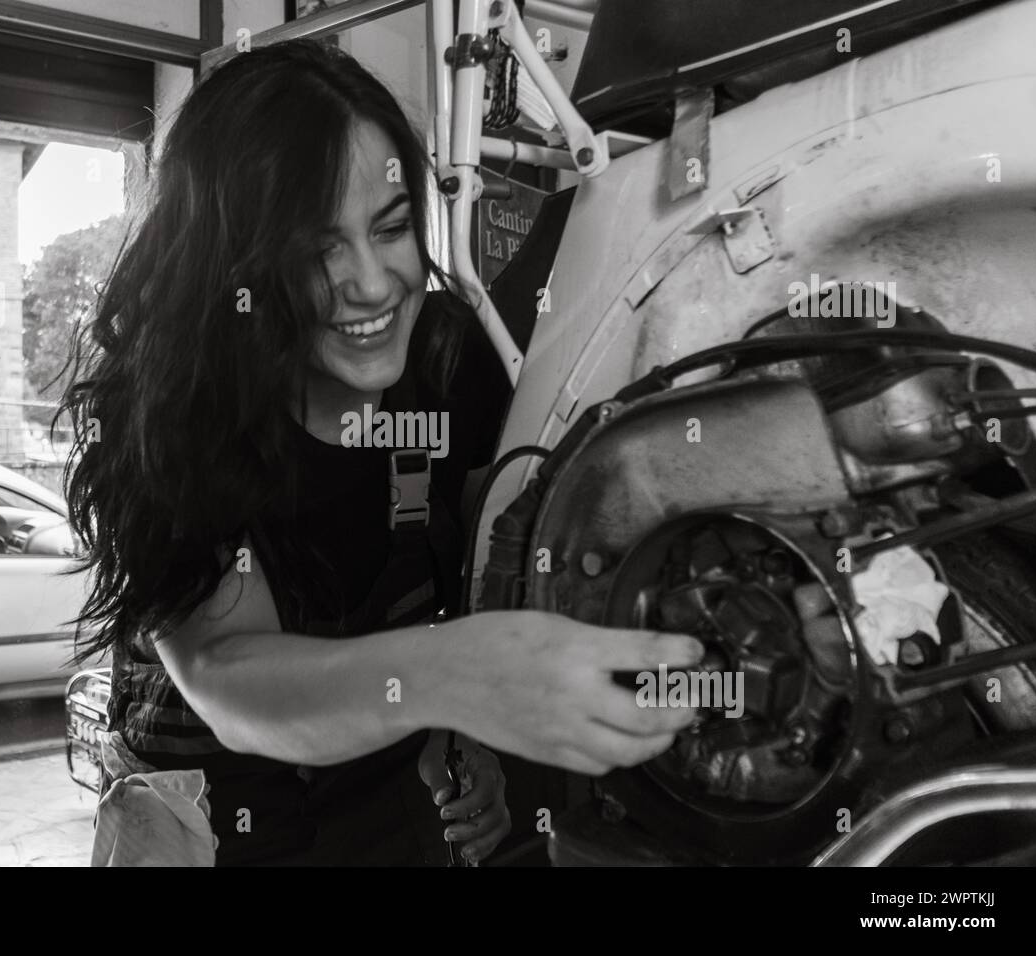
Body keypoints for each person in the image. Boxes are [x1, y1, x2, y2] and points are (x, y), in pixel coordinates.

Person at [57, 38, 702, 866]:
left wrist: (466, 741)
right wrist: (458, 674)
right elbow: (229, 674)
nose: (372, 283)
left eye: (391, 228)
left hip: (387, 817)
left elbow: (489, 565)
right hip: (209, 829)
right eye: (319, 249)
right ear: (233, 266)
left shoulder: (446, 362)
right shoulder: (166, 418)